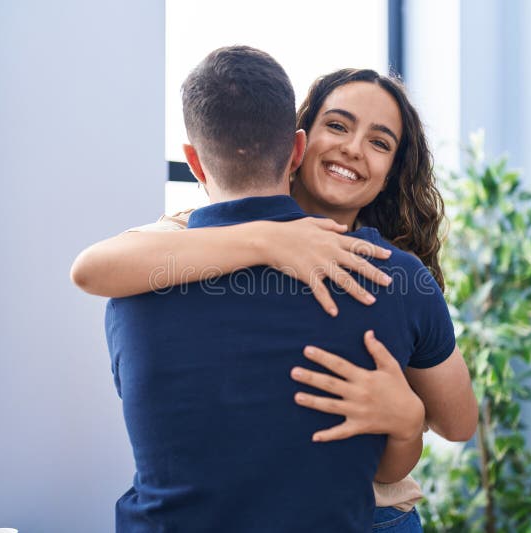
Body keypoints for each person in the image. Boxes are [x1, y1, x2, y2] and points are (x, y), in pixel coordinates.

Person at [75, 50, 477, 532]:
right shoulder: (178, 248)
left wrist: (408, 417)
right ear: (298, 146)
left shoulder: (394, 274)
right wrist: (271, 238)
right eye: (339, 125)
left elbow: (454, 424)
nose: (352, 148)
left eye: (379, 142)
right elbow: (93, 269)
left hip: (372, 512)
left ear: (393, 170)